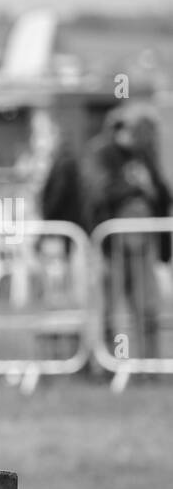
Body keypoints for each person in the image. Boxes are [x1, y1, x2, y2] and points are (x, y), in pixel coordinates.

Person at [80, 103, 171, 360]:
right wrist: (138, 189)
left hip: (142, 248)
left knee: (147, 308)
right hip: (110, 247)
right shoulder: (100, 153)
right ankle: (106, 363)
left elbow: (163, 195)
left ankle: (147, 366)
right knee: (109, 309)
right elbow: (99, 193)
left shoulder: (143, 155)